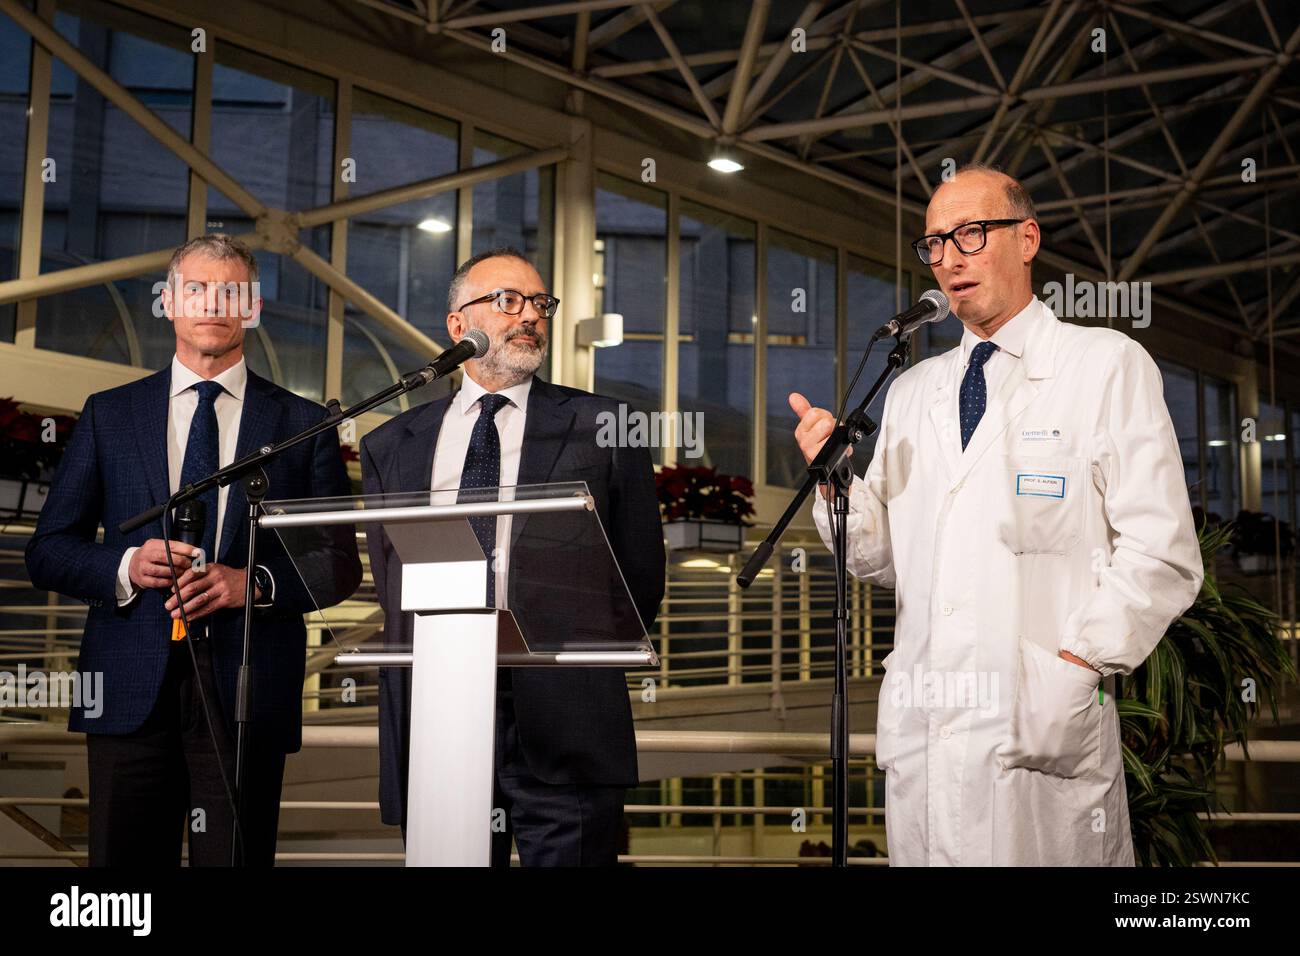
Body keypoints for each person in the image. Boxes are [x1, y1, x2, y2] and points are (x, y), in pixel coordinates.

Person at [789, 165, 1203, 866]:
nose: (949, 258)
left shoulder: (1103, 366)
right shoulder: (914, 390)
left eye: (970, 235)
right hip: (929, 727)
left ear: (1028, 238)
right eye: (933, 245)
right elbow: (880, 555)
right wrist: (834, 484)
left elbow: (1162, 555)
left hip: (1038, 727)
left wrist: (1073, 669)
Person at [26, 234, 362, 866]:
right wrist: (124, 565)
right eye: (197, 289)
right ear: (169, 304)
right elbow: (48, 550)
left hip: (246, 692)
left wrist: (251, 584)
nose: (214, 303)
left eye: (231, 290)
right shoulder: (109, 415)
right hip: (127, 690)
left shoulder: (303, 424)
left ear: (253, 307)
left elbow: (338, 562)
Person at [361, 247, 664, 866]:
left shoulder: (605, 426)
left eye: (540, 304)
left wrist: (576, 658)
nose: (529, 315)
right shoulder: (393, 443)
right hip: (437, 722)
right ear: (457, 327)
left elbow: (638, 576)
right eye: (508, 300)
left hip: (565, 723)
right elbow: (394, 587)